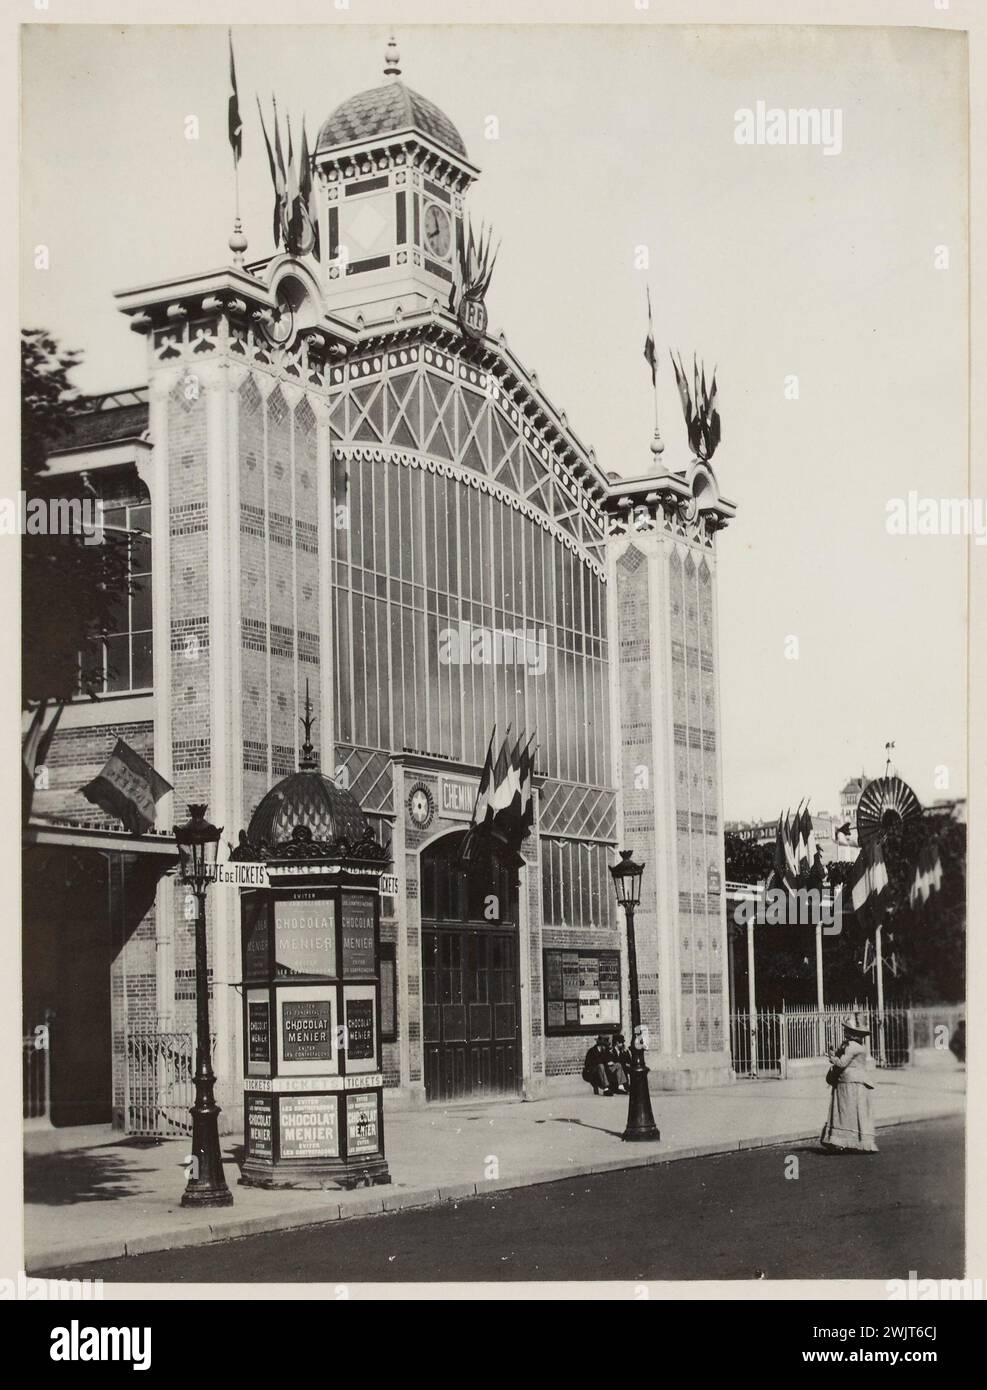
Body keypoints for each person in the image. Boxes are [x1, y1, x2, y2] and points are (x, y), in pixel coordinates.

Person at [820, 1015, 878, 1153]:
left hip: (848, 1083)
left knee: (844, 1111)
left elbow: (842, 1063)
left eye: (847, 1030)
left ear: (853, 1033)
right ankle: (856, 1140)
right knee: (855, 1112)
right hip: (858, 1082)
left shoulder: (851, 1047)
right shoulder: (859, 1047)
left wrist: (831, 1057)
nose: (845, 1032)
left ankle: (840, 1140)